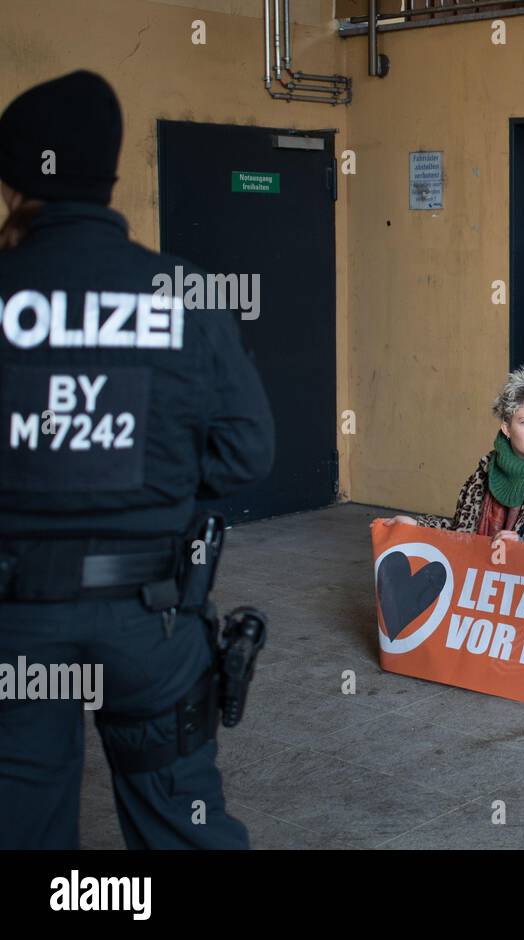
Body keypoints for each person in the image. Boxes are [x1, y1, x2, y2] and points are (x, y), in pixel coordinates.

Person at [0, 71, 275, 848]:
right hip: (151, 620)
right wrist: (155, 487)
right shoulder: (183, 293)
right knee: (185, 826)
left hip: (17, 623)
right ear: (111, 173)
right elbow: (248, 452)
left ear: (16, 182)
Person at [384, 366, 524, 549]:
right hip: (485, 593)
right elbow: (462, 533)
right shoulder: (485, 472)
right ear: (506, 427)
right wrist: (417, 525)